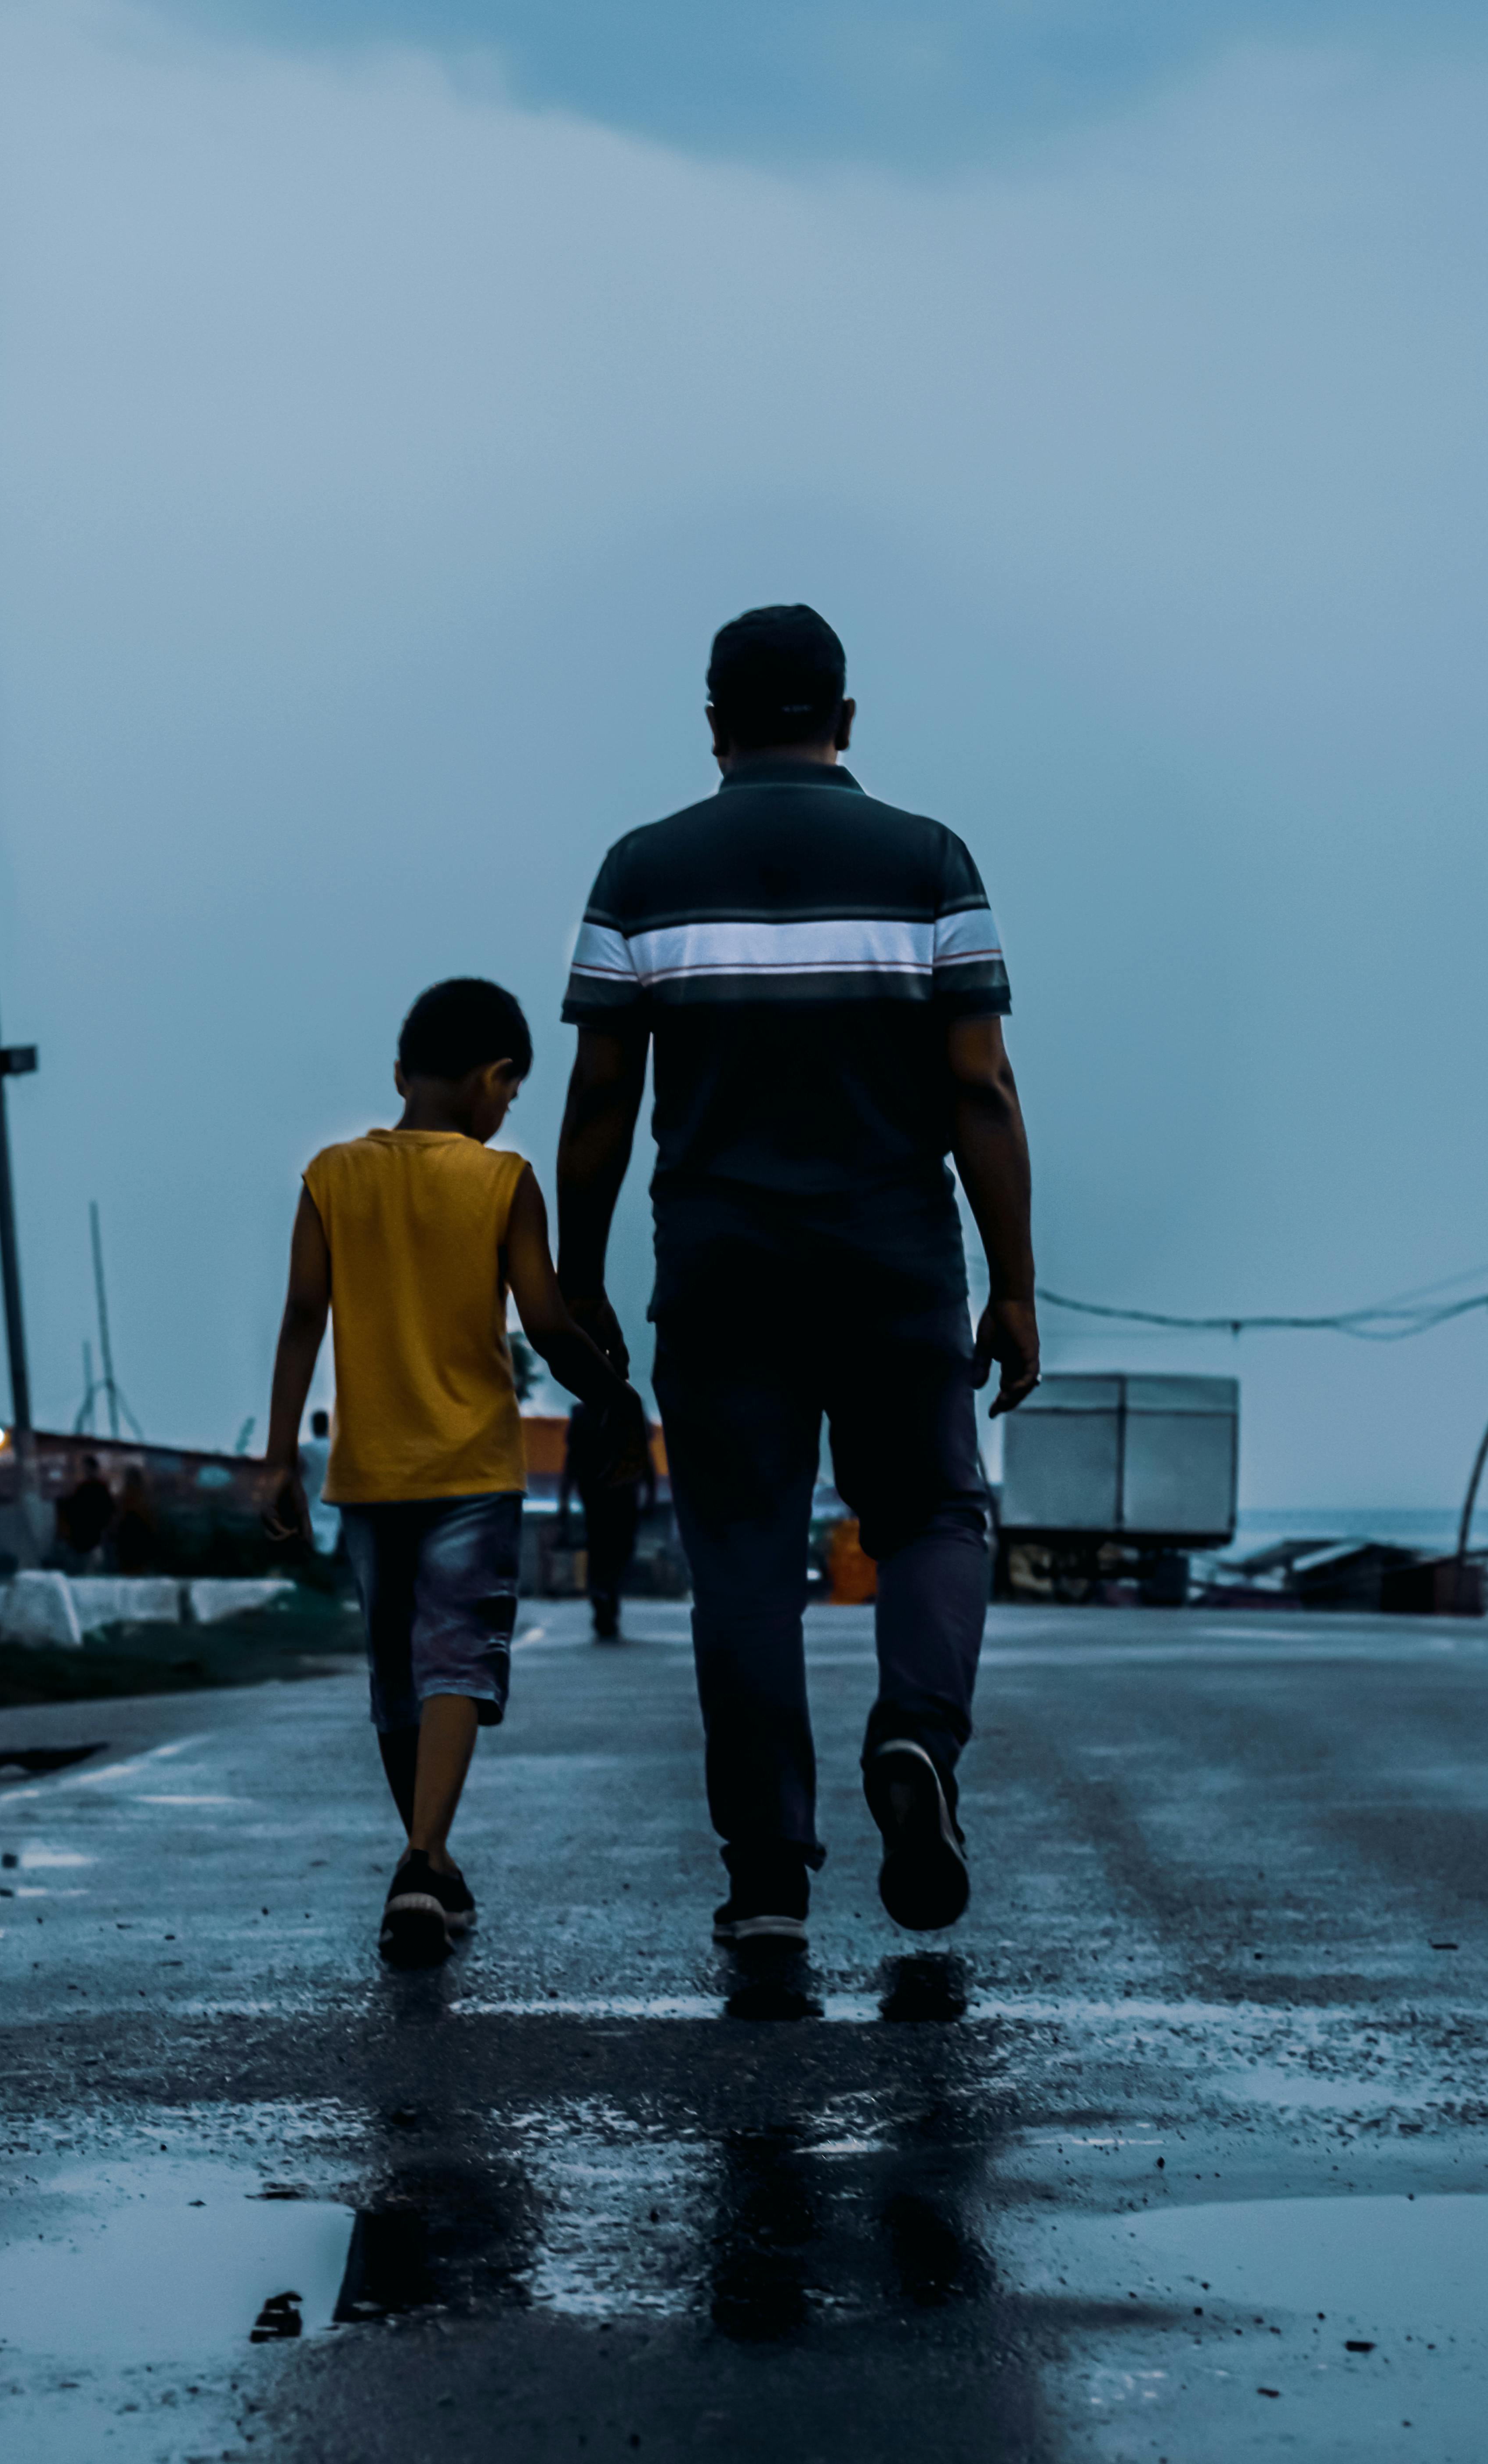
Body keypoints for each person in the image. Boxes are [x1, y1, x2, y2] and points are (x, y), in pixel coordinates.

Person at [556, 605, 1038, 1947]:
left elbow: (599, 1098)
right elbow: (978, 1084)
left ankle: (768, 1874)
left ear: (712, 723)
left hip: (720, 1271)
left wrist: (576, 1277)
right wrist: (1013, 1282)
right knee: (934, 1516)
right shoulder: (926, 862)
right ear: (846, 716)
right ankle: (915, 1743)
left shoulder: (640, 875)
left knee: (746, 1568)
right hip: (891, 1258)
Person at [262, 977, 648, 1964]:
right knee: (456, 1663)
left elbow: (304, 1318)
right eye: (510, 1093)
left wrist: (277, 1459)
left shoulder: (329, 1177)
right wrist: (611, 1395)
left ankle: (423, 1861)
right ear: (495, 1079)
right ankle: (425, 1859)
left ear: (400, 1076)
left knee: (396, 1675)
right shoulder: (501, 1181)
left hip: (368, 1475)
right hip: (472, 1466)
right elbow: (547, 1318)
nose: (507, 1111)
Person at [558, 1398, 658, 1641]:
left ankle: (604, 1594)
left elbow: (573, 1460)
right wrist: (651, 1494)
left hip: (603, 1493)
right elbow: (645, 1456)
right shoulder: (625, 1408)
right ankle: (606, 1594)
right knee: (615, 1548)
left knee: (604, 1547)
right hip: (617, 1493)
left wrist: (564, 1500)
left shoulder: (588, 1412)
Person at [297, 1409, 341, 1559]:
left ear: (313, 1427)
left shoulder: (305, 1451)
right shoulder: (338, 1449)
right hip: (335, 1511)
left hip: (311, 1509)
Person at [61, 1454, 114, 1560]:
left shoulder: (99, 1487)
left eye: (86, 1468)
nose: (85, 1471)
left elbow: (108, 1509)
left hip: (94, 1531)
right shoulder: (83, 1487)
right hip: (83, 1531)